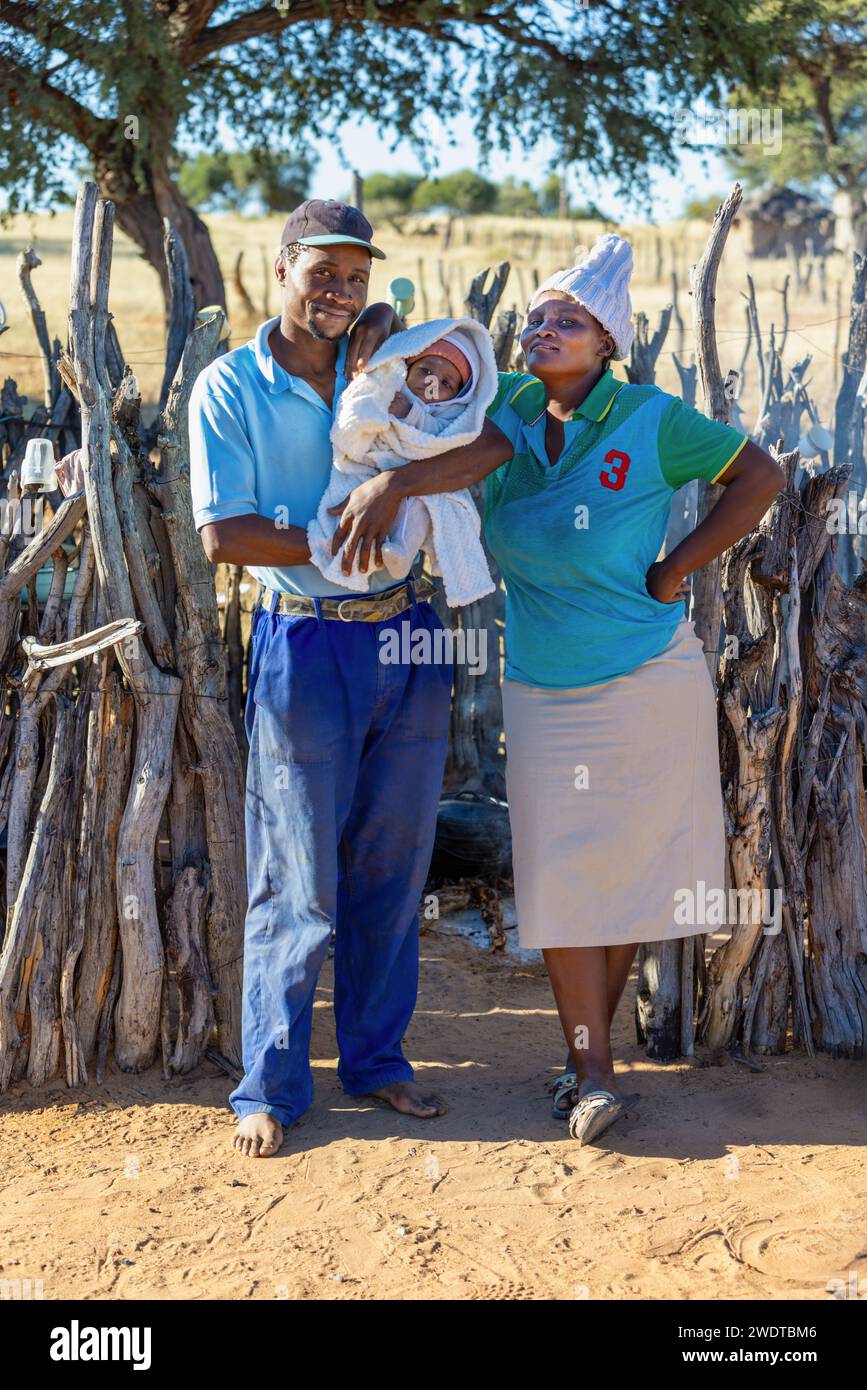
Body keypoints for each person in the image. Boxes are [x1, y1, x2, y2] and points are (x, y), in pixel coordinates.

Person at [328, 232, 784, 1147]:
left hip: (650, 681)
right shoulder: (510, 413)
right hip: (542, 687)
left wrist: (673, 573)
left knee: (620, 874)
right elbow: (458, 460)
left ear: (606, 342)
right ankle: (590, 1066)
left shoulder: (654, 420)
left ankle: (587, 1069)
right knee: (563, 879)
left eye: (566, 321)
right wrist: (395, 483)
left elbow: (761, 474)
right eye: (535, 317)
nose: (542, 330)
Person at [188, 199, 511, 1158]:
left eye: (355, 277)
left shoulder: (390, 361)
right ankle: (272, 1087)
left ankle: (377, 1063)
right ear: (281, 268)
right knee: (297, 875)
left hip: (408, 641)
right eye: (321, 272)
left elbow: (492, 442)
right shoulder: (229, 386)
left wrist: (396, 484)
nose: (338, 291)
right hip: (306, 641)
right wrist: (344, 544)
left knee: (390, 866)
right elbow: (225, 534)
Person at [308, 316, 497, 607]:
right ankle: (356, 544)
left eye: (446, 382)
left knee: (424, 509)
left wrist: (411, 414)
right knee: (348, 502)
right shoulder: (392, 385)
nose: (431, 383)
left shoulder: (449, 415)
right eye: (425, 370)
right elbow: (360, 410)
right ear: (408, 366)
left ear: (459, 395)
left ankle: (400, 551)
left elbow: (438, 439)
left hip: (421, 482)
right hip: (372, 468)